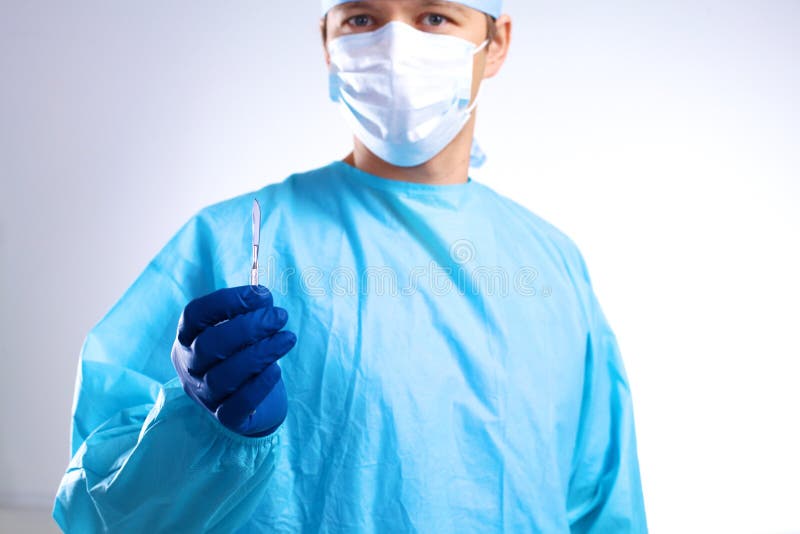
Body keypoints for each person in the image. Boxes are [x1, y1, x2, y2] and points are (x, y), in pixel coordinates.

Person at [53, 1, 648, 532]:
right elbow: (97, 510)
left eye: (433, 17)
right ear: (328, 43)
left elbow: (601, 502)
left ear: (495, 42)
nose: (395, 44)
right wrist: (198, 429)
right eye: (362, 19)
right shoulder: (228, 241)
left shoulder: (550, 263)